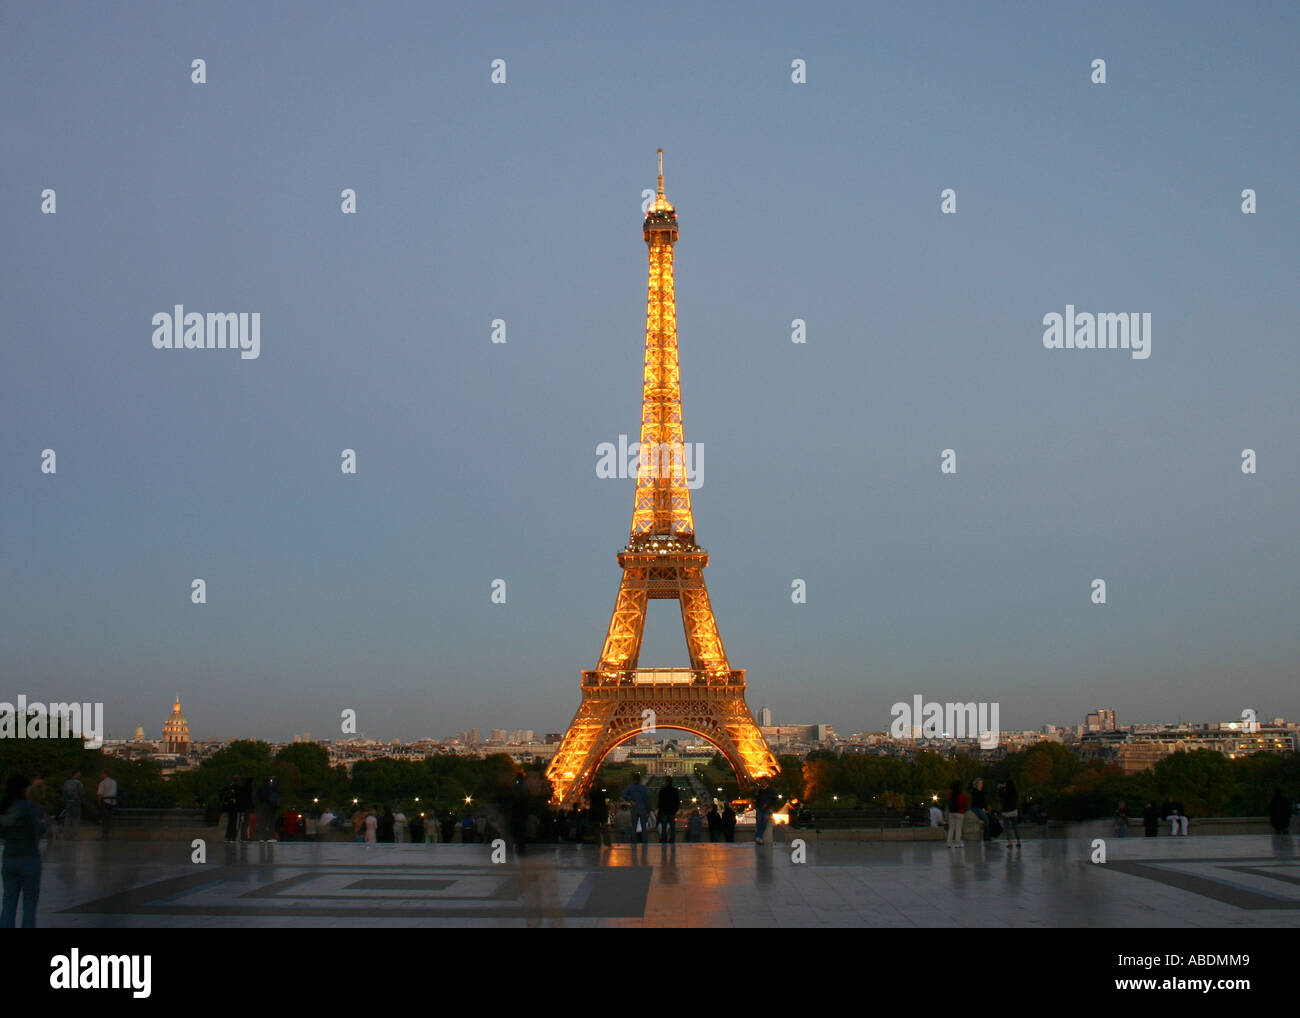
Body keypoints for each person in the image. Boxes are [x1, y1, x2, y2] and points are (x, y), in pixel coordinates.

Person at [1, 775, 47, 928]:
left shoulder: (4, 807)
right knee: (29, 906)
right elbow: (40, 829)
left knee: (8, 903)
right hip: (29, 858)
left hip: (9, 858)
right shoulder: (29, 807)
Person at [621, 774, 652, 844]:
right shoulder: (643, 788)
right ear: (640, 779)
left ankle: (634, 842)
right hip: (643, 809)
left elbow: (623, 795)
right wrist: (648, 810)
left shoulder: (630, 787)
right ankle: (644, 842)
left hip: (634, 808)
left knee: (634, 827)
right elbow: (648, 800)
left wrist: (630, 800)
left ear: (633, 779)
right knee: (644, 827)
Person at [61, 771, 84, 841]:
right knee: (75, 819)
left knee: (67, 819)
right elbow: (81, 793)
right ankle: (74, 836)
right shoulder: (79, 783)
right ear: (76, 774)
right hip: (76, 803)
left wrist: (66, 799)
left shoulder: (66, 782)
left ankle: (65, 836)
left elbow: (64, 792)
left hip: (68, 803)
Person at [753, 778, 778, 845]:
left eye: (763, 782)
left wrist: (767, 804)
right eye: (761, 782)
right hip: (759, 808)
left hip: (767, 808)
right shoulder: (759, 790)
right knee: (759, 822)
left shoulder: (771, 790)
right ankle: (759, 837)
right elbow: (755, 797)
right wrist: (757, 790)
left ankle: (758, 836)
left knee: (764, 821)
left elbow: (774, 799)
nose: (762, 783)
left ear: (766, 782)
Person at [998, 780, 1020, 846]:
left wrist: (1001, 788)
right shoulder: (1014, 791)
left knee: (1007, 828)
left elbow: (1000, 796)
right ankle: (1018, 841)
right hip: (1014, 811)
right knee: (1015, 827)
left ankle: (1009, 842)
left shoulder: (1005, 791)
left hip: (1006, 812)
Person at [657, 778, 680, 844]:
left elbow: (660, 802)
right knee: (672, 827)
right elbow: (677, 801)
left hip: (664, 811)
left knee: (664, 827)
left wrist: (659, 812)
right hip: (672, 811)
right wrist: (675, 810)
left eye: (665, 781)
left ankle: (664, 840)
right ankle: (672, 840)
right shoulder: (674, 790)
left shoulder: (662, 790)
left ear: (667, 782)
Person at [96, 771, 118, 840]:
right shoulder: (114, 782)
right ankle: (108, 834)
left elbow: (100, 794)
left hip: (105, 802)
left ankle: (104, 835)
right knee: (109, 818)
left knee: (104, 819)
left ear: (105, 774)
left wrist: (99, 803)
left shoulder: (102, 783)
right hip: (113, 802)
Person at [947, 780, 969, 847]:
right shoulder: (962, 795)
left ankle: (949, 843)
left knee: (951, 828)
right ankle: (957, 843)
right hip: (960, 813)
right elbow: (965, 804)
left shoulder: (950, 794)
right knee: (958, 829)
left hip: (951, 813)